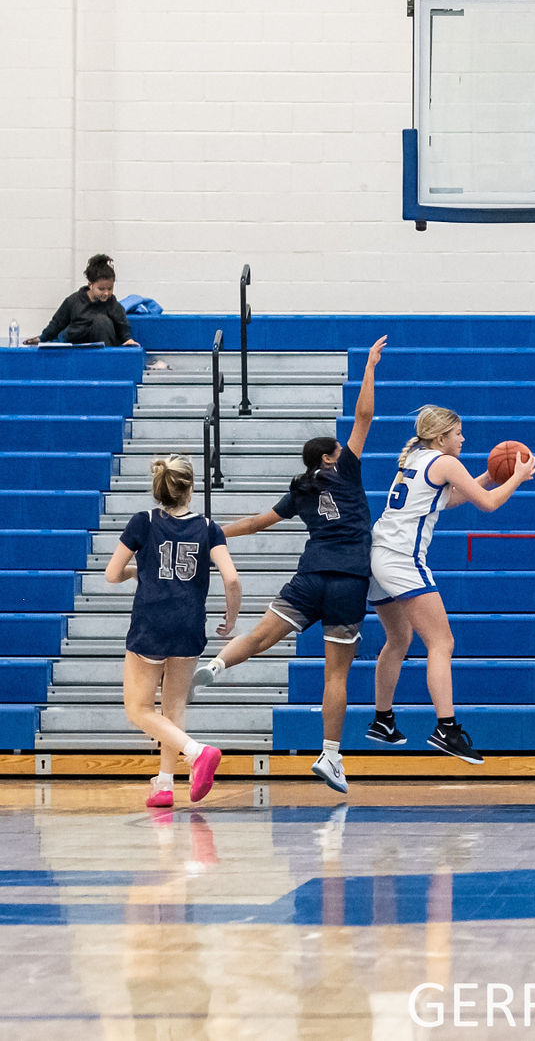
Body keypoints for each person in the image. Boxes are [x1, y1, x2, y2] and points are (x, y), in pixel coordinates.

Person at [188, 337, 387, 794]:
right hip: (348, 580)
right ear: (328, 457)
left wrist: (212, 529)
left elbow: (258, 523)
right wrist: (370, 366)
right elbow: (364, 417)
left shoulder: (300, 489)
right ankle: (331, 756)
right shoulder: (348, 470)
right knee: (335, 674)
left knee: (258, 637)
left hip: (310, 575)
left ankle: (216, 666)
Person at [366, 405, 535, 764]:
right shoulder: (444, 462)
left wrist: (491, 475)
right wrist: (516, 478)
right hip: (401, 558)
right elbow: (488, 505)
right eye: (458, 434)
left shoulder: (416, 458)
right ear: (442, 437)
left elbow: (453, 498)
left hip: (377, 555)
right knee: (442, 642)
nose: (463, 439)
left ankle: (383, 720)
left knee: (398, 640)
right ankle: (447, 728)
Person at [103, 456, 240, 807]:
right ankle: (164, 784)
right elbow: (232, 578)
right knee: (174, 705)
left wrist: (136, 572)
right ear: (190, 490)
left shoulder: (143, 521)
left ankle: (196, 752)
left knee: (138, 709)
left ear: (159, 488)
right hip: (189, 623)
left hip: (152, 621)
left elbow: (111, 574)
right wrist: (231, 616)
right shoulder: (209, 527)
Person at [25, 254, 141, 348]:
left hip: (102, 348)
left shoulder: (112, 303)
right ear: (90, 284)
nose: (106, 293)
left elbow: (122, 325)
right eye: (101, 289)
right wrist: (42, 338)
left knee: (102, 321)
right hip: (76, 345)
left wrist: (128, 339)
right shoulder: (73, 301)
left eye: (110, 288)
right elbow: (57, 323)